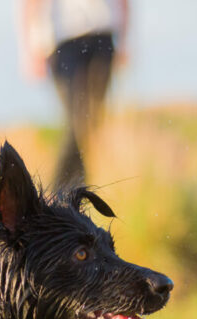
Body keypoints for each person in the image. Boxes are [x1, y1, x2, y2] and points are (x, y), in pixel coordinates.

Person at [20, 0, 130, 190]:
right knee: (76, 122)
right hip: (64, 42)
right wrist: (31, 50)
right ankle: (58, 194)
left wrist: (124, 41)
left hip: (102, 38)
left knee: (91, 122)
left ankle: (75, 196)